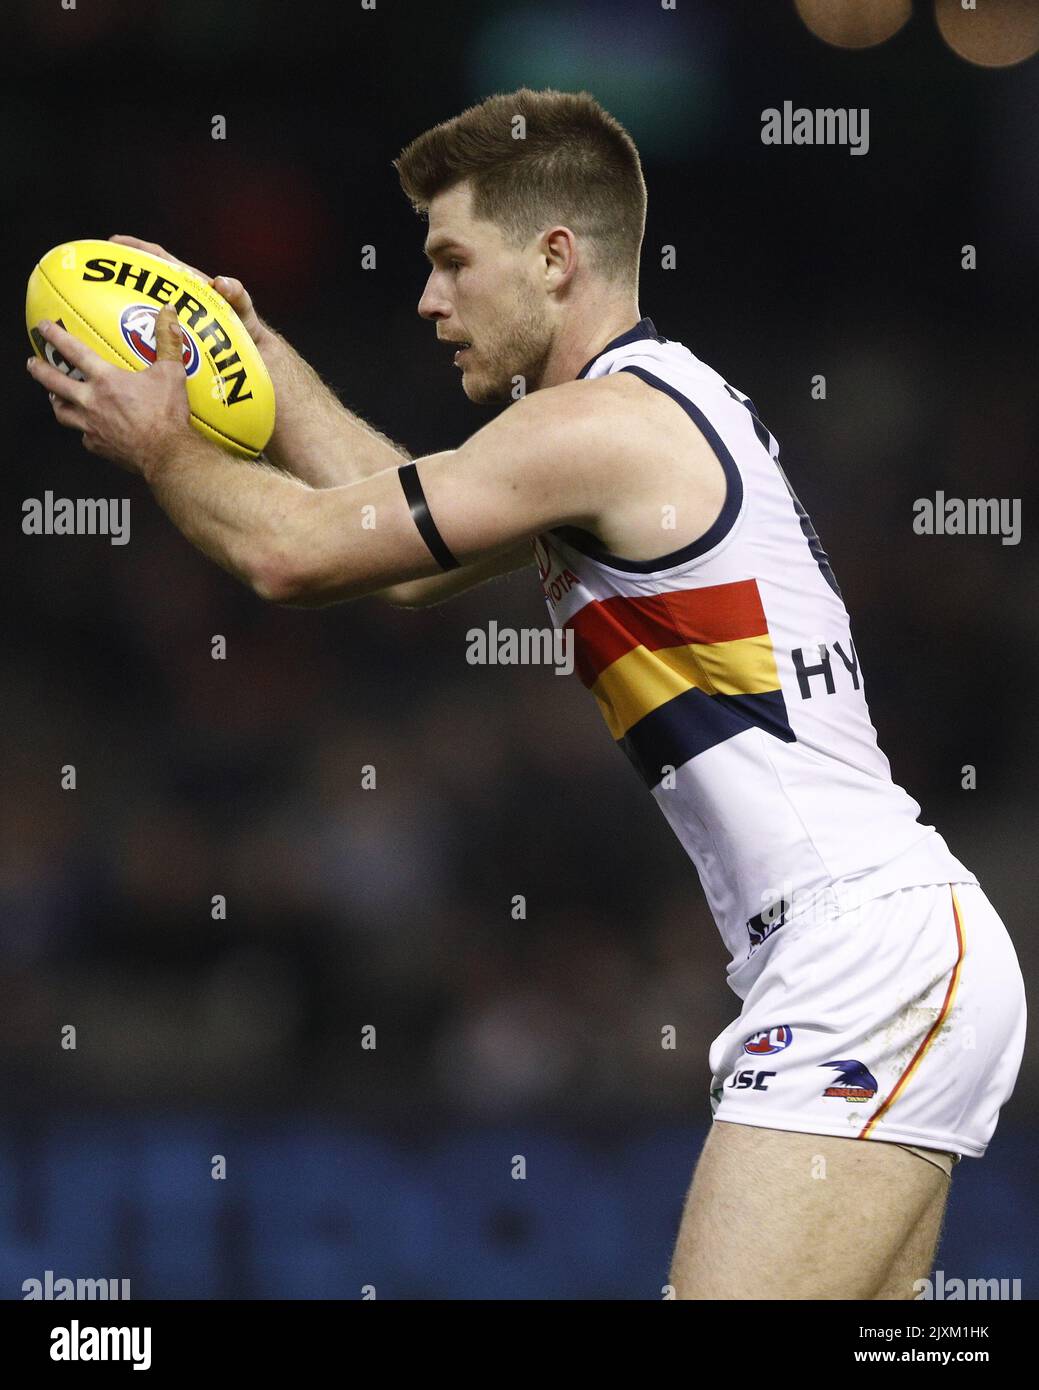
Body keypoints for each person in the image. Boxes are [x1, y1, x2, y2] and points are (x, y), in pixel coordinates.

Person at [26, 87, 1026, 1300]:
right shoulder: (638, 412)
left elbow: (293, 552)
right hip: (889, 945)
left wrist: (161, 441)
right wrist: (256, 355)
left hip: (866, 952)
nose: (426, 299)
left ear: (555, 258)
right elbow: (395, 546)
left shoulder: (600, 427)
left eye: (451, 260)